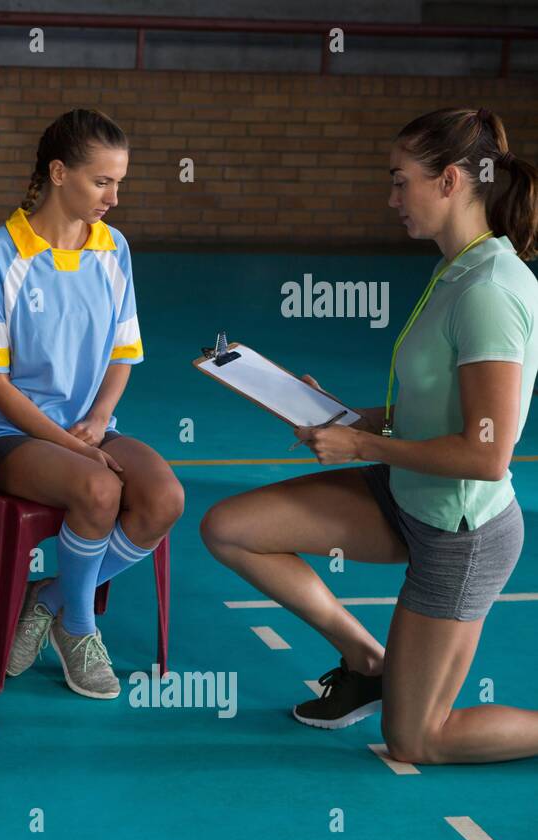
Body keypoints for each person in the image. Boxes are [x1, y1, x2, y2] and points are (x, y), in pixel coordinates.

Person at [202, 107, 538, 764]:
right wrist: (356, 418)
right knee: (229, 528)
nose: (391, 198)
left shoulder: (490, 290)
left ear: (448, 182)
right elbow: (433, 403)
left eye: (399, 180)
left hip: (458, 536)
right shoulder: (457, 269)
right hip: (405, 496)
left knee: (417, 739)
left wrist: (361, 447)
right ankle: (367, 662)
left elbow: (487, 453)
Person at [0, 109, 183, 698]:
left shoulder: (114, 250)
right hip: (9, 432)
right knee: (99, 489)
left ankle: (49, 597)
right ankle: (80, 628)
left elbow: (124, 351)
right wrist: (69, 445)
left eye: (119, 182)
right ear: (58, 173)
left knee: (164, 498)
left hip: (88, 426)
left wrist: (99, 419)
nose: (113, 196)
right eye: (101, 181)